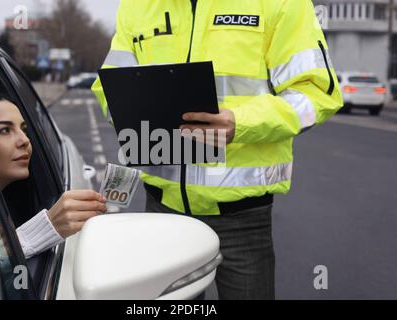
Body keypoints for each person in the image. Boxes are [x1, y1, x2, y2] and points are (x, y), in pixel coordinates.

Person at [92, 0, 343, 300]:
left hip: (241, 221)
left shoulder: (281, 3)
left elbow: (317, 94)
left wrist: (241, 123)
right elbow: (109, 85)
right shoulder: (139, 5)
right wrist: (129, 109)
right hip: (162, 214)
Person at [0, 92, 108, 259]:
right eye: (5, 130)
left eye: (24, 129)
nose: (25, 140)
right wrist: (48, 226)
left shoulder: (6, 203)